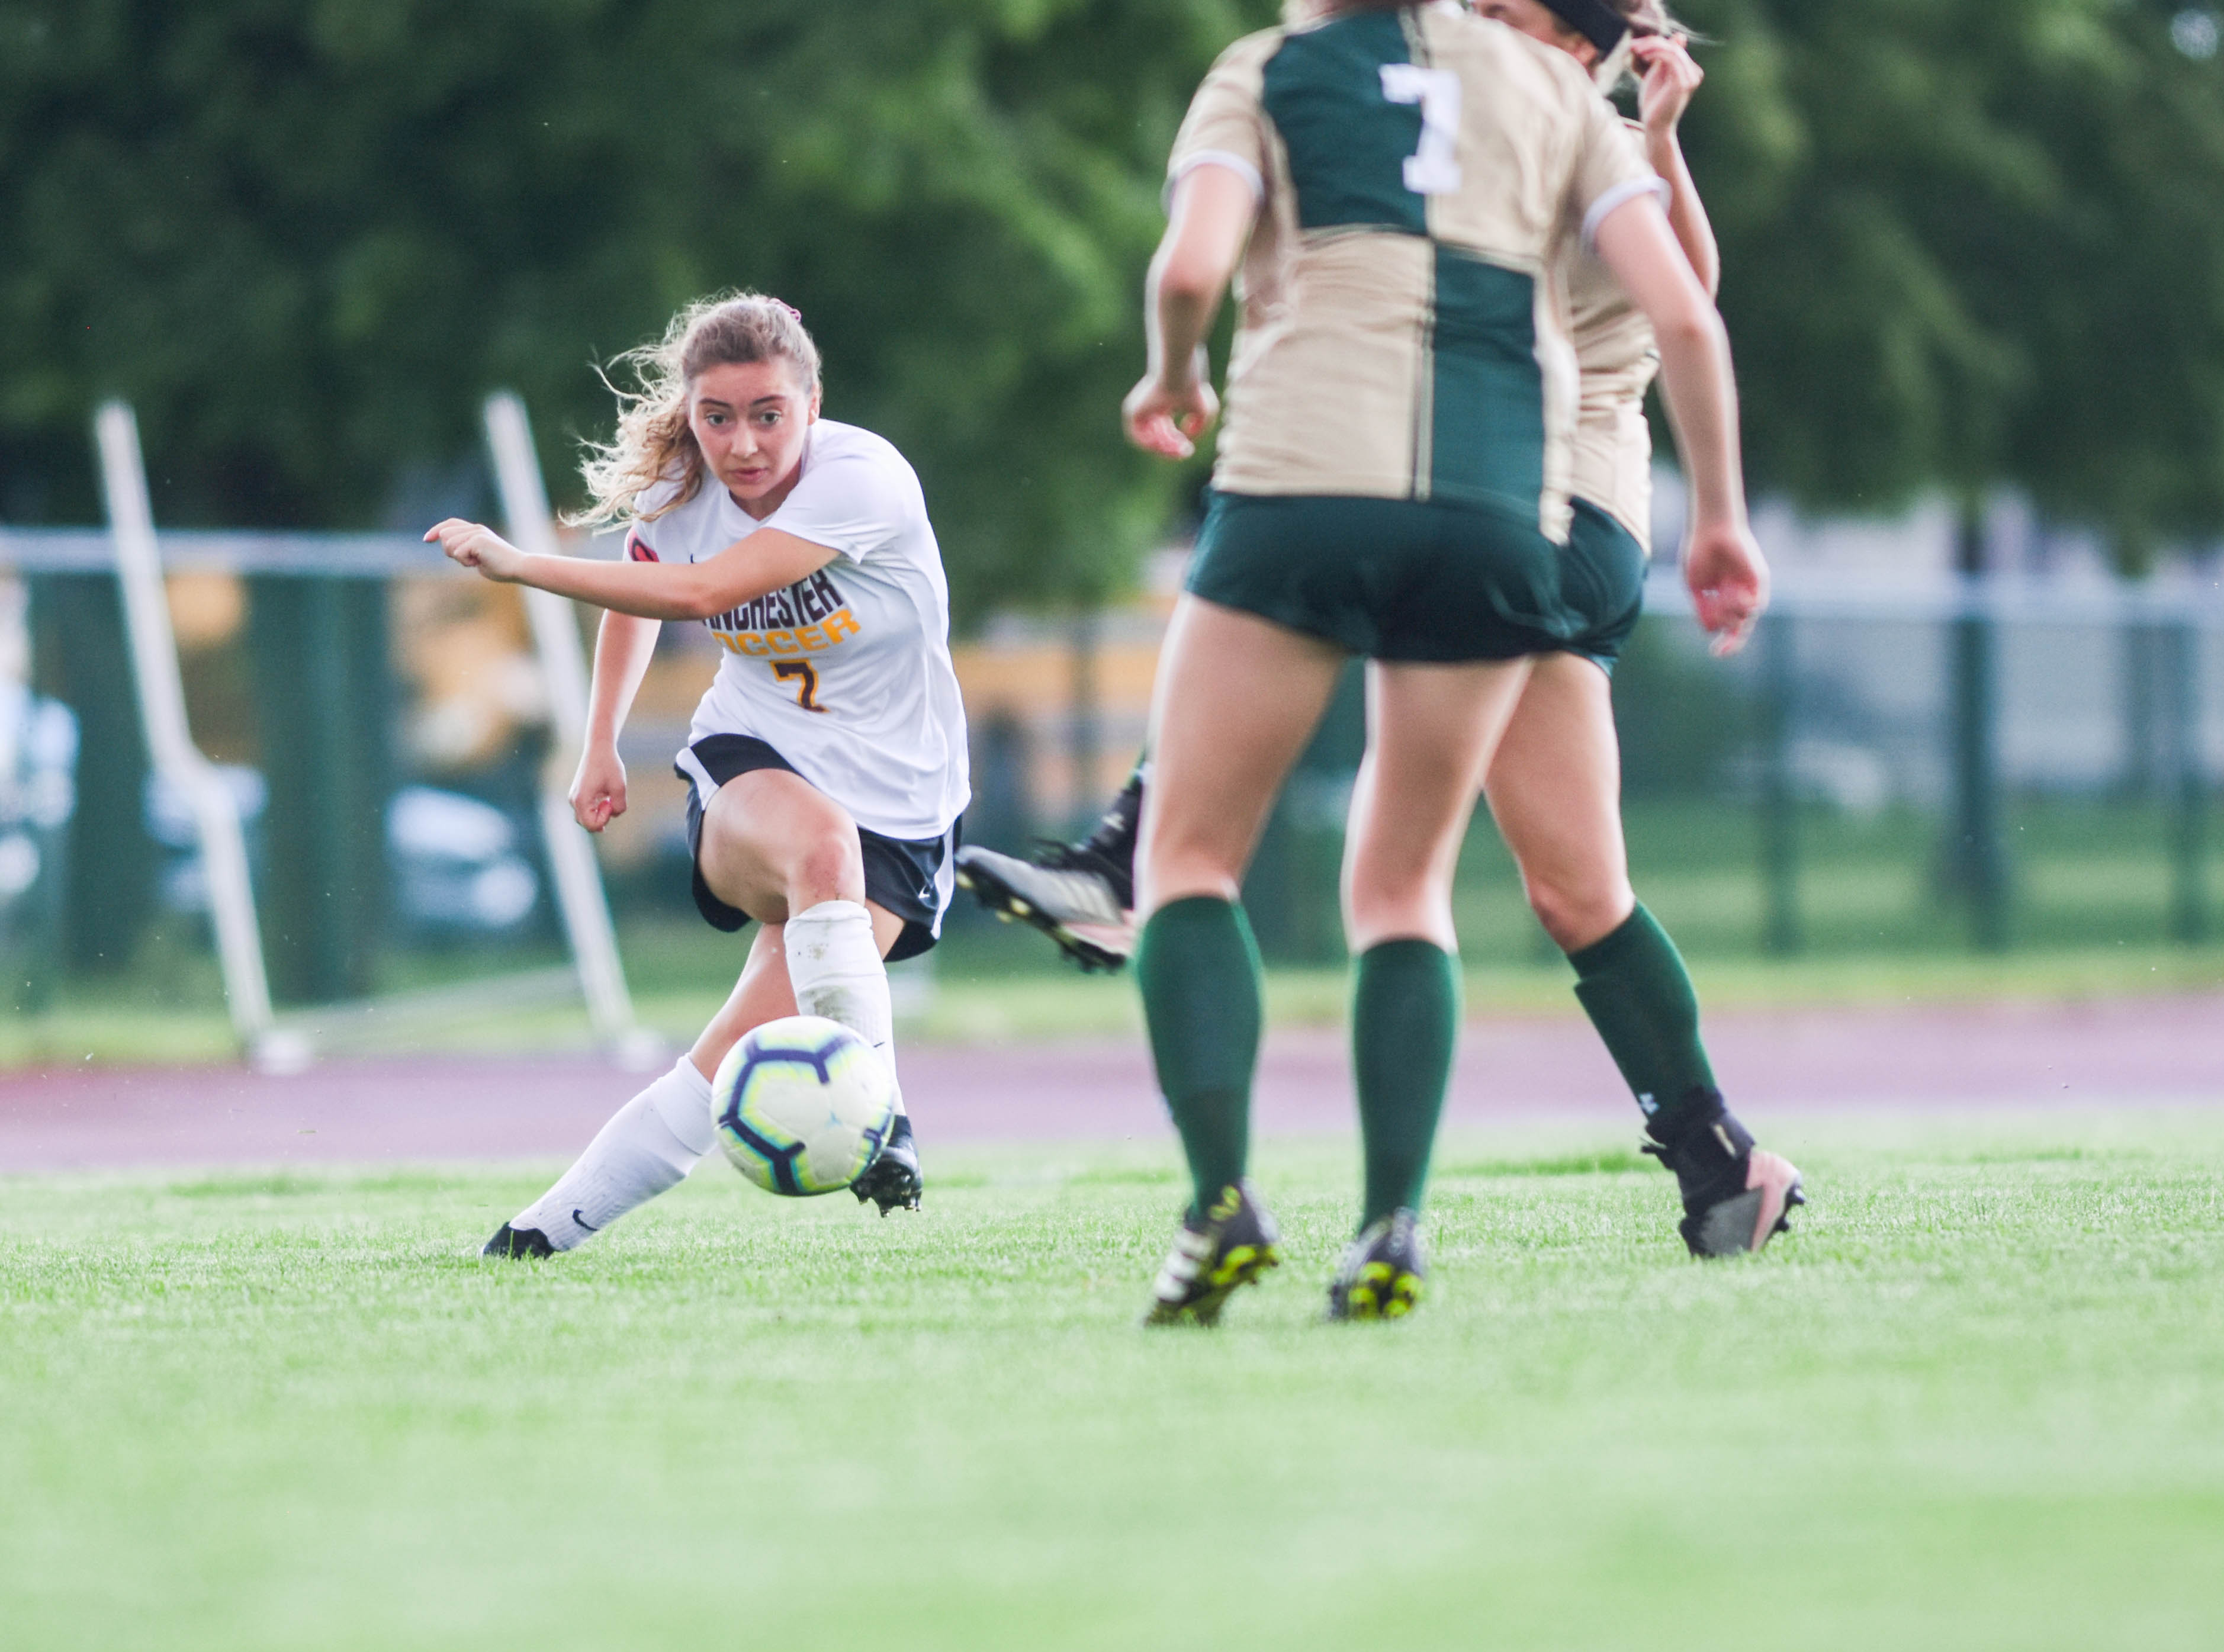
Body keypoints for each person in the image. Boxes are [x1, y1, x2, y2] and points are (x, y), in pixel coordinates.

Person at [960, 0, 1802, 1275]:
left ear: (1564, 38)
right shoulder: (1499, 104)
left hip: (1549, 512)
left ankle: (1133, 859)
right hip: (1523, 520)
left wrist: (1660, 134)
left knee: (1315, 608)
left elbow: (1686, 296)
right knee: (1576, 886)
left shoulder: (1538, 113)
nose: (1466, 12)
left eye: (1499, 4)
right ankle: (1717, 1155)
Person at [426, 293, 969, 1258]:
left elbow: (700, 592)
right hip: (752, 761)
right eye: (717, 416)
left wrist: (524, 566)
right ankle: (884, 1118)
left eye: (768, 413)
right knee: (815, 842)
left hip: (903, 809)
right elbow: (643, 593)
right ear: (690, 413)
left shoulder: (864, 478)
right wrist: (600, 740)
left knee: (720, 1065)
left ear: (812, 401)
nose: (743, 442)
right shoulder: (679, 490)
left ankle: (535, 1236)